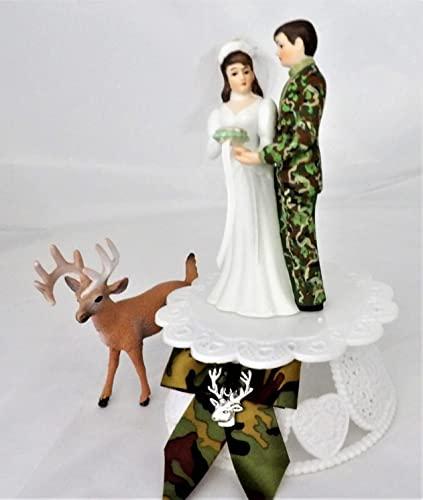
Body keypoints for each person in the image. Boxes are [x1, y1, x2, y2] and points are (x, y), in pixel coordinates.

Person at [234, 20, 327, 311]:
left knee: (301, 240)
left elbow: (302, 137)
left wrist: (263, 155)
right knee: (290, 238)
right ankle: (297, 294)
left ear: (299, 44)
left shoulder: (311, 82)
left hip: (301, 177)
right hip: (289, 176)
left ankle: (311, 299)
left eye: (281, 45)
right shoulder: (298, 79)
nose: (277, 52)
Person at [206, 39, 298, 318]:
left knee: (260, 226)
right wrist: (221, 138)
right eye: (234, 73)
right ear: (226, 77)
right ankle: (239, 287)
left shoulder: (263, 106)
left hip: (258, 178)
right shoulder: (219, 113)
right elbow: (211, 152)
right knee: (240, 226)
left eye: (246, 71)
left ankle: (267, 290)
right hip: (236, 180)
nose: (242, 77)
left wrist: (252, 156)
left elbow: (268, 145)